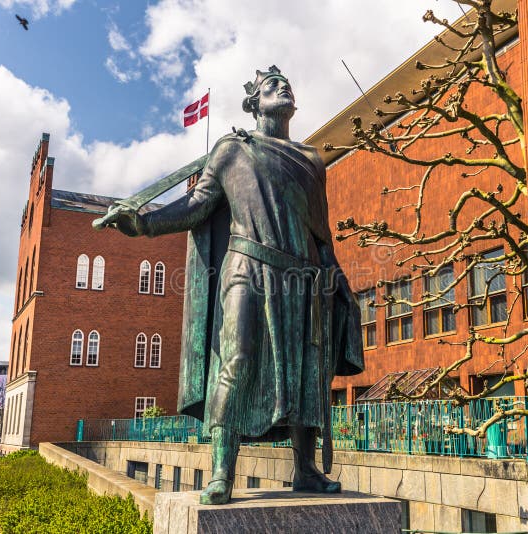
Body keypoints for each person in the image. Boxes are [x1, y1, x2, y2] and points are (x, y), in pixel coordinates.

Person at [103, 66, 364, 505]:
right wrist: (145, 224)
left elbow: (321, 231)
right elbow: (196, 205)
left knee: (304, 369)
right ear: (254, 103)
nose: (283, 88)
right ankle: (222, 470)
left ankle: (305, 469)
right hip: (247, 266)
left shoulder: (311, 160)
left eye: (287, 84)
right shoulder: (231, 149)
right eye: (271, 86)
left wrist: (336, 277)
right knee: (237, 358)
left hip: (301, 276)